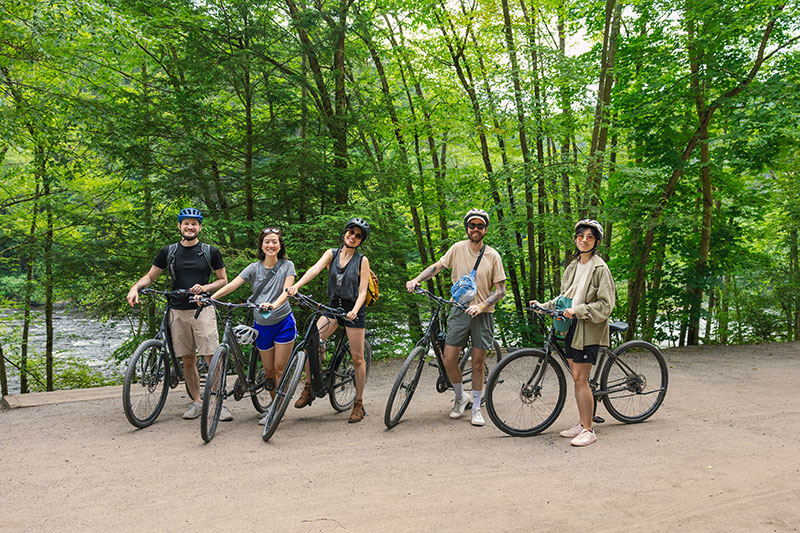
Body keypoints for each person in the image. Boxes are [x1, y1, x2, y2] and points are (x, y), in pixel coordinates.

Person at [126, 208, 230, 421]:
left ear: (200, 227)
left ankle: (219, 401)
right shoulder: (169, 251)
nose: (190, 227)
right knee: (188, 359)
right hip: (177, 310)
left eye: (194, 223)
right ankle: (197, 402)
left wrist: (205, 287)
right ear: (179, 226)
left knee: (212, 357)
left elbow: (223, 280)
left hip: (203, 309)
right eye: (186, 223)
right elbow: (150, 276)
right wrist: (134, 288)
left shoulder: (210, 251)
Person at [406, 208, 506, 427]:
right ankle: (461, 398)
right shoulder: (457, 249)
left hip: (483, 314)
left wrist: (481, 305)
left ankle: (477, 407)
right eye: (472, 226)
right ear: (467, 229)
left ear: (485, 230)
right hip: (459, 310)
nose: (475, 229)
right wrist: (416, 279)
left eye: (480, 226)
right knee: (449, 358)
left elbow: (500, 291)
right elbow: (437, 267)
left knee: (478, 362)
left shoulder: (493, 255)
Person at [532, 219, 615, 447]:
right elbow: (564, 297)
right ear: (575, 239)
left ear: (596, 241)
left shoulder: (600, 269)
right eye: (580, 236)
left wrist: (578, 310)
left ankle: (589, 429)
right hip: (571, 327)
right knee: (578, 379)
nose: (584, 240)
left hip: (588, 328)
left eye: (589, 237)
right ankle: (582, 422)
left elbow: (605, 306)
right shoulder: (573, 266)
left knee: (580, 378)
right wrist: (545, 305)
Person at [204, 227, 296, 425]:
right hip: (262, 325)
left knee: (280, 369)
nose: (271, 245)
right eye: (267, 242)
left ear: (280, 246)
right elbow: (233, 284)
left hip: (283, 322)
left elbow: (287, 290)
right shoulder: (254, 268)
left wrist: (273, 304)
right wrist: (211, 298)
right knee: (269, 371)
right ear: (261, 246)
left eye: (275, 242)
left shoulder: (287, 265)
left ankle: (277, 410)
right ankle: (274, 404)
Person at [286, 218, 371, 423]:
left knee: (358, 358)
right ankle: (309, 387)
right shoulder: (331, 254)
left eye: (358, 235)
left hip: (353, 310)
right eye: (350, 232)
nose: (353, 237)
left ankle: (358, 403)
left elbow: (362, 291)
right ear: (344, 233)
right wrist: (297, 286)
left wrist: (355, 310)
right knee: (310, 343)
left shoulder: (362, 261)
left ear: (361, 240)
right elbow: (315, 269)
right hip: (334, 306)